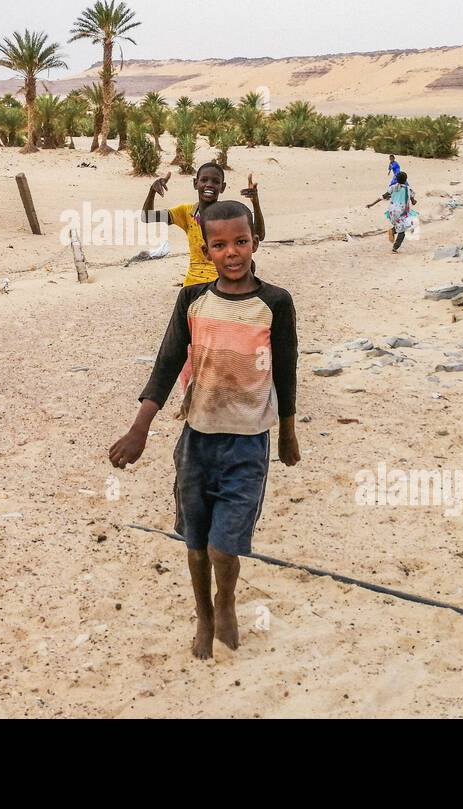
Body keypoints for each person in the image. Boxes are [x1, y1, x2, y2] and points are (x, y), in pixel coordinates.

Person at [109, 199, 300, 660]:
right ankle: (203, 613)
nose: (232, 252)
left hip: (249, 440)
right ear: (206, 249)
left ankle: (226, 600)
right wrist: (140, 428)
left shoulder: (275, 302)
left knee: (222, 546)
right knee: (195, 545)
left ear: (255, 242)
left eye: (241, 242)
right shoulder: (192, 300)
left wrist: (289, 432)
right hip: (197, 440)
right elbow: (168, 360)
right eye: (220, 245)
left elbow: (286, 368)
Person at [138, 162, 265, 286]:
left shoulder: (227, 215)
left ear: (222, 187)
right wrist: (152, 191)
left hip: (223, 284)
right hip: (193, 283)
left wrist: (255, 203)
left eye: (215, 182)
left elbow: (259, 235)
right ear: (195, 183)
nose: (209, 185)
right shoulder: (186, 213)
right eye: (204, 180)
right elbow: (147, 217)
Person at [380, 171, 418, 253]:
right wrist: (414, 201)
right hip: (401, 212)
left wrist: (372, 204)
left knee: (401, 226)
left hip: (391, 212)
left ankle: (393, 230)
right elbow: (413, 201)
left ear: (396, 179)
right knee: (402, 232)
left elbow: (384, 196)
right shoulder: (408, 189)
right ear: (406, 180)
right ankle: (395, 248)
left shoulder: (393, 187)